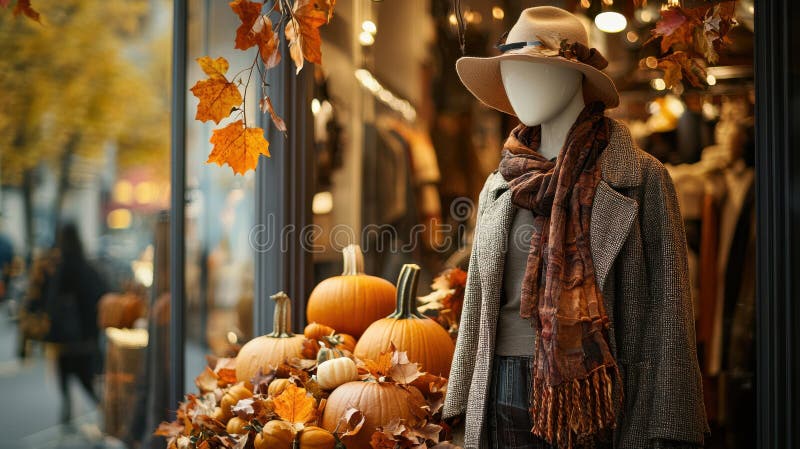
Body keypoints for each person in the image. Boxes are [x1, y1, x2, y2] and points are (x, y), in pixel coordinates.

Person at [42, 223, 108, 424]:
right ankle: (103, 410)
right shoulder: (86, 267)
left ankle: (68, 412)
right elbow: (100, 295)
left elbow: (51, 301)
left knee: (66, 376)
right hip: (84, 338)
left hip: (64, 338)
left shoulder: (61, 268)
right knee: (85, 378)